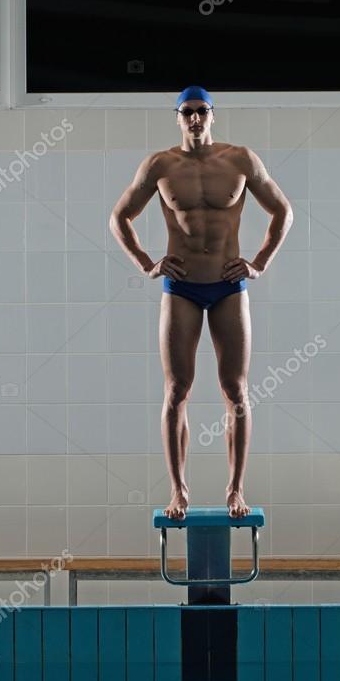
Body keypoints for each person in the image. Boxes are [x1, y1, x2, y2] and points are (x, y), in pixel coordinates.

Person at [110, 85, 293, 520]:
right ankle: (179, 490)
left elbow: (283, 211)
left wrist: (260, 263)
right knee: (177, 390)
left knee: (237, 391)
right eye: (188, 112)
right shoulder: (160, 165)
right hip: (183, 288)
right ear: (178, 116)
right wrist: (146, 264)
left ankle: (235, 489)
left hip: (228, 287)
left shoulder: (240, 160)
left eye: (202, 112)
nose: (195, 119)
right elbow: (120, 217)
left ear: (213, 115)